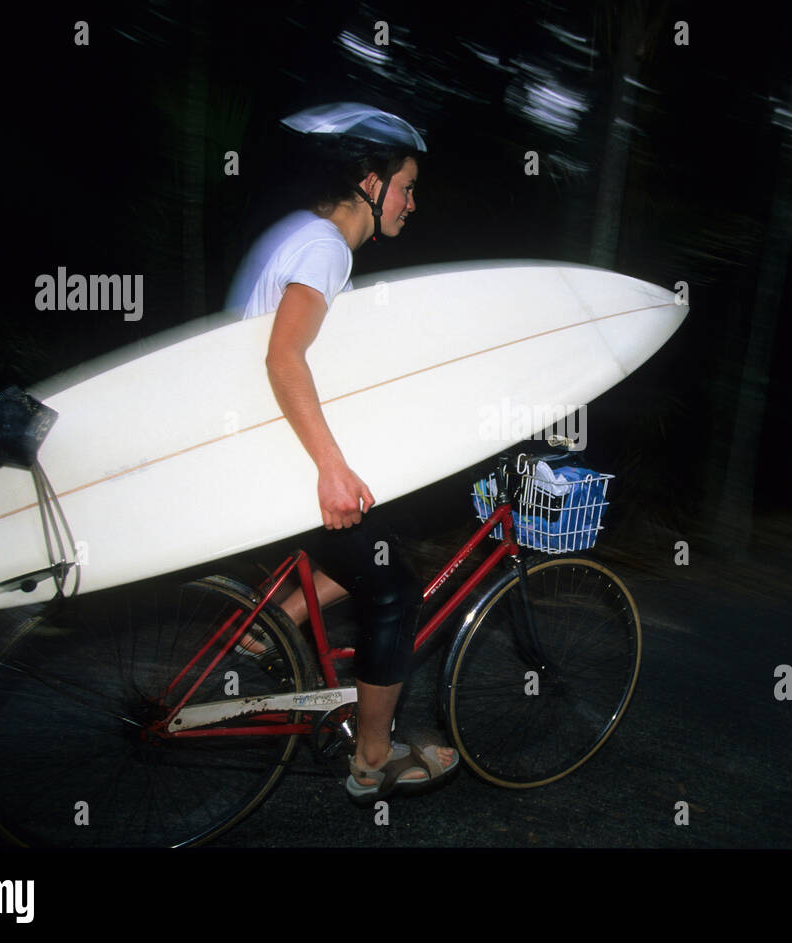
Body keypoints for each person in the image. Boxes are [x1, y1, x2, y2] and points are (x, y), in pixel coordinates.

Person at [233, 103, 457, 803]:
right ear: (370, 181)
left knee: (398, 527)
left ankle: (273, 628)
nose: (412, 203)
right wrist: (331, 468)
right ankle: (372, 758)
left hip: (259, 451)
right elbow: (284, 356)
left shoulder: (297, 235)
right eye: (406, 186)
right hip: (280, 468)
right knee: (393, 586)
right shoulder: (326, 247)